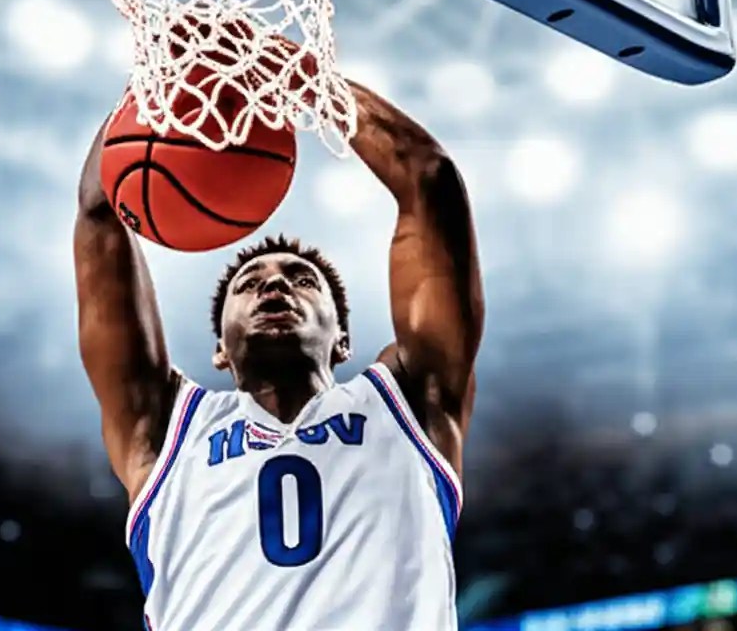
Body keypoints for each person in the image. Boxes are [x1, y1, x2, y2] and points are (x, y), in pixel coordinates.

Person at [73, 68, 485, 630]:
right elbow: (101, 213)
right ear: (220, 350)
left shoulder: (410, 401)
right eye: (248, 284)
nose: (274, 285)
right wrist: (161, 80)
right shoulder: (168, 427)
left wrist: (301, 76)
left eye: (301, 279)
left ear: (343, 340)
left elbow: (429, 177)